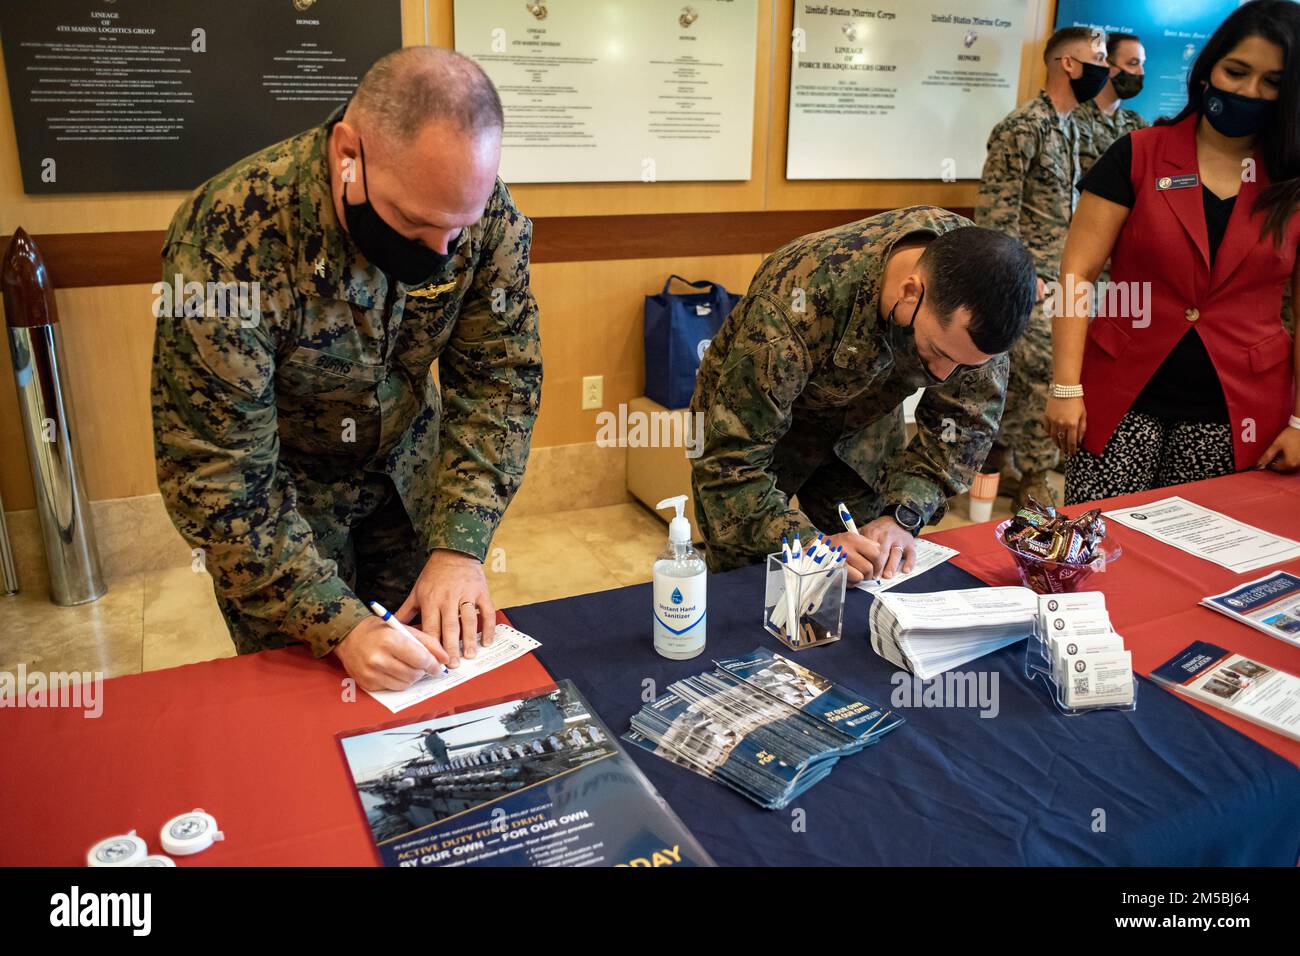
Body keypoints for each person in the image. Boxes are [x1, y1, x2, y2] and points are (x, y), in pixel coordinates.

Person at [152, 47, 543, 690]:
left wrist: (460, 545)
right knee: (310, 706)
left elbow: (501, 379)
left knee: (424, 692)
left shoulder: (485, 214)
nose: (441, 253)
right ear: (347, 155)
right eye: (415, 226)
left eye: (457, 232)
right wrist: (336, 622)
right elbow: (215, 470)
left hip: (411, 484)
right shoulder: (228, 239)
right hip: (284, 514)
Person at [688, 206, 1036, 582]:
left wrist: (902, 515)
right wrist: (808, 544)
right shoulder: (793, 303)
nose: (941, 376)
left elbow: (966, 424)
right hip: (758, 425)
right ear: (910, 291)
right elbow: (729, 464)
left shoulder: (984, 290)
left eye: (964, 365)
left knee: (870, 567)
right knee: (756, 578)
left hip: (865, 421)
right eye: (937, 352)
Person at [1046, 0, 1300, 503]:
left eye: (1272, 82)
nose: (1250, 91)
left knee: (1201, 560)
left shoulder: (1290, 183)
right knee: (1097, 548)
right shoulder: (1139, 153)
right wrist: (1065, 386)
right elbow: (1077, 273)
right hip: (1122, 395)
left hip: (1240, 409)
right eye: (1237, 71)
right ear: (1208, 70)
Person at [976, 26, 1108, 507]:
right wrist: (1017, 280)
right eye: (1098, 57)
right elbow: (996, 214)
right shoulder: (1023, 126)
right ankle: (1032, 477)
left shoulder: (1076, 125)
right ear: (1068, 64)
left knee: (1029, 377)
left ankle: (1001, 463)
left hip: (1065, 277)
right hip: (1031, 279)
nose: (1106, 68)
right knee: (1040, 378)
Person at [1075, 32, 1149, 177]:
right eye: (1133, 63)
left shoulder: (1136, 123)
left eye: (1142, 64)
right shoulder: (1075, 118)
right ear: (1105, 64)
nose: (1141, 72)